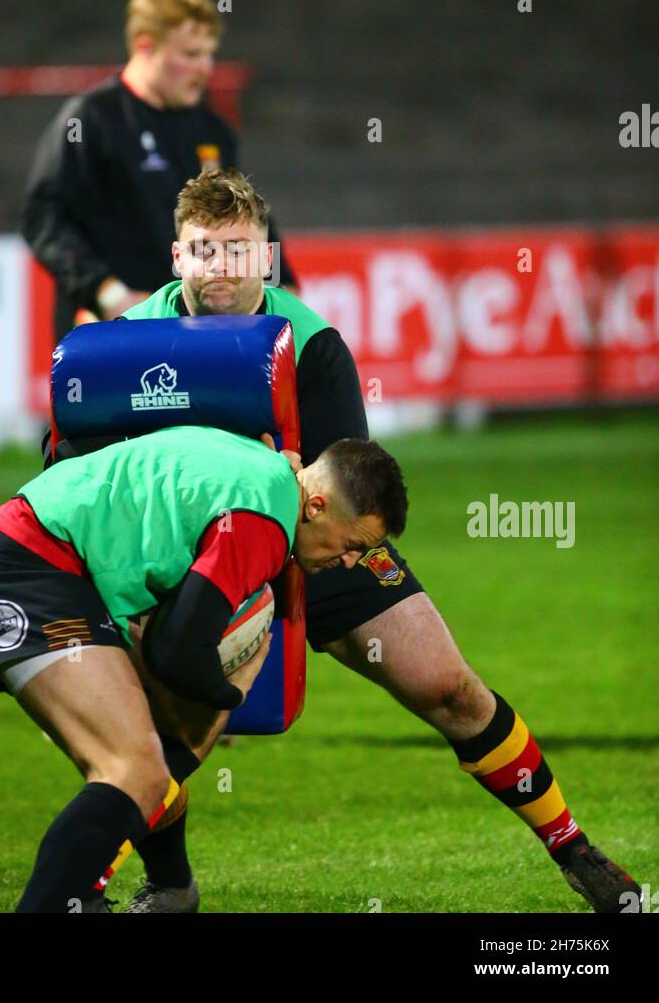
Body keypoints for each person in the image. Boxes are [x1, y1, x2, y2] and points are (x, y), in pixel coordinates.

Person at [53, 167, 641, 916]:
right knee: (148, 740)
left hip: (312, 536)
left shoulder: (313, 344)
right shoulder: (128, 342)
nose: (220, 267)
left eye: (237, 251)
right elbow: (69, 466)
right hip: (183, 559)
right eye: (203, 251)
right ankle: (144, 884)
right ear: (176, 258)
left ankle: (573, 849)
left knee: (450, 687)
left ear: (266, 257)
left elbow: (341, 492)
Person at [0, 424, 407, 913]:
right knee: (134, 771)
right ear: (316, 506)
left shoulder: (263, 465)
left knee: (146, 758)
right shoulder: (264, 521)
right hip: (25, 576)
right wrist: (235, 693)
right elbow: (179, 653)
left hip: (33, 565)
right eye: (353, 543)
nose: (353, 562)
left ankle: (141, 892)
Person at [21, 0, 295, 340]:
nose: (206, 68)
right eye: (191, 54)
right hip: (112, 332)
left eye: (209, 54)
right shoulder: (91, 120)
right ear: (145, 47)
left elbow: (247, 215)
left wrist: (284, 285)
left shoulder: (212, 131)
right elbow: (44, 219)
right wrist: (108, 293)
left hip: (200, 332)